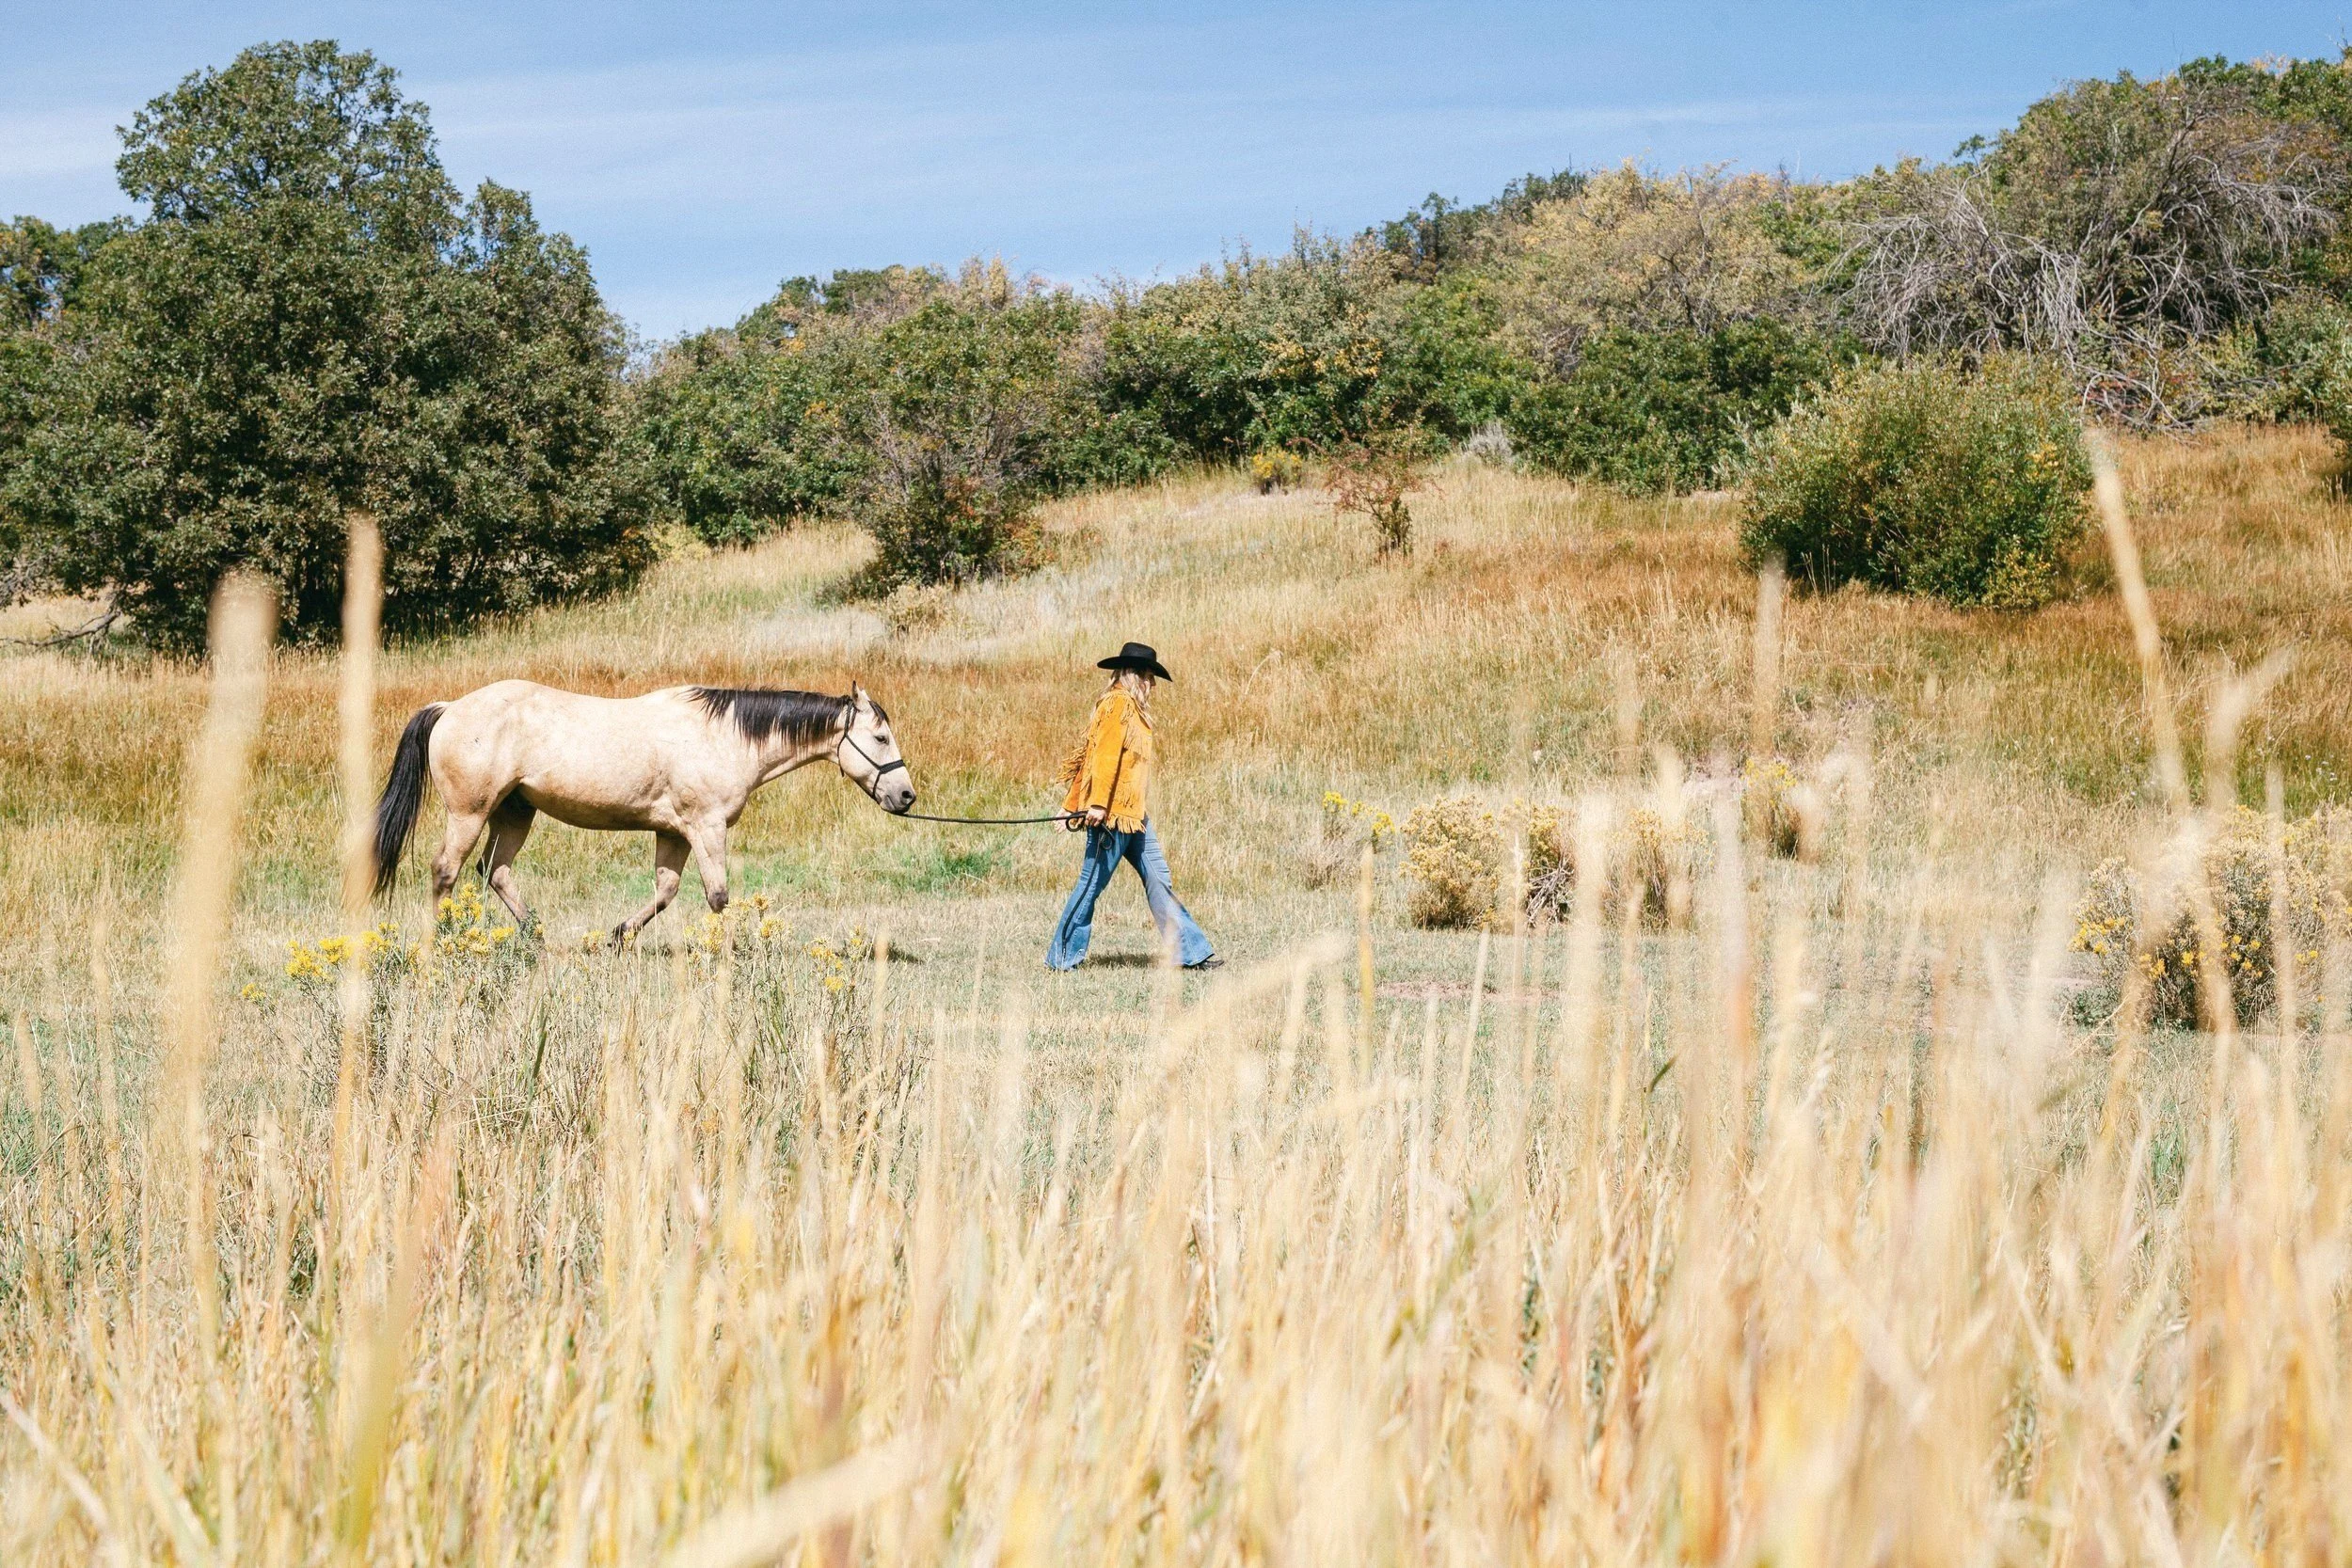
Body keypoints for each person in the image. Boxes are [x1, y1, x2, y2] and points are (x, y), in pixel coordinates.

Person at [1047, 642, 1220, 971]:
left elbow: (1091, 756)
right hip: (1111, 818)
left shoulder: (1132, 709)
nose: (1153, 685)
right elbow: (1102, 757)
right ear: (1133, 676)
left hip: (1134, 816)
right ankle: (1061, 959)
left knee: (1159, 880)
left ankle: (1192, 953)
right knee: (1089, 887)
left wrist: (1071, 805)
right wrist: (1092, 804)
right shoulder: (1117, 705)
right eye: (1150, 677)